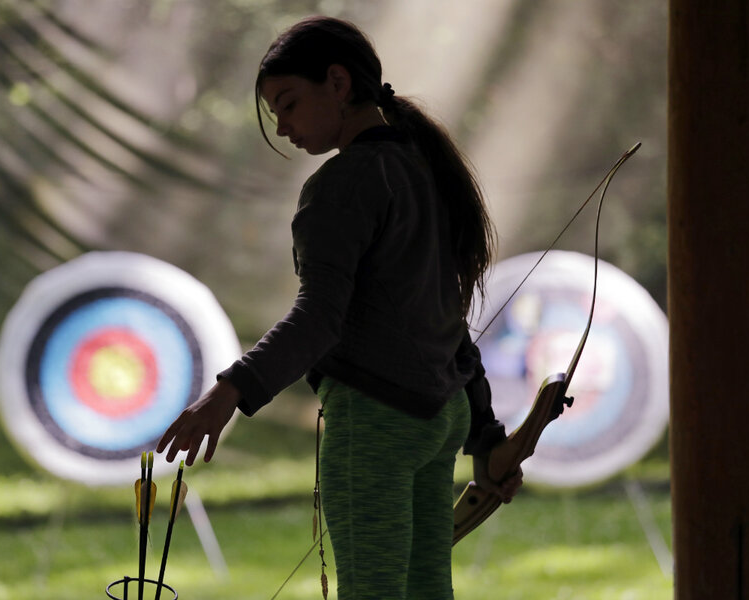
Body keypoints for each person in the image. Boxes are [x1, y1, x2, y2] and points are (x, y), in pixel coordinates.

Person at [156, 15, 522, 599]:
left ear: (338, 82)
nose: (283, 127)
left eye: (289, 103)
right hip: (440, 418)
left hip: (377, 423)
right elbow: (449, 318)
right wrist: (483, 432)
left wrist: (226, 393)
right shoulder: (425, 167)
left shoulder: (344, 182)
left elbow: (319, 318)